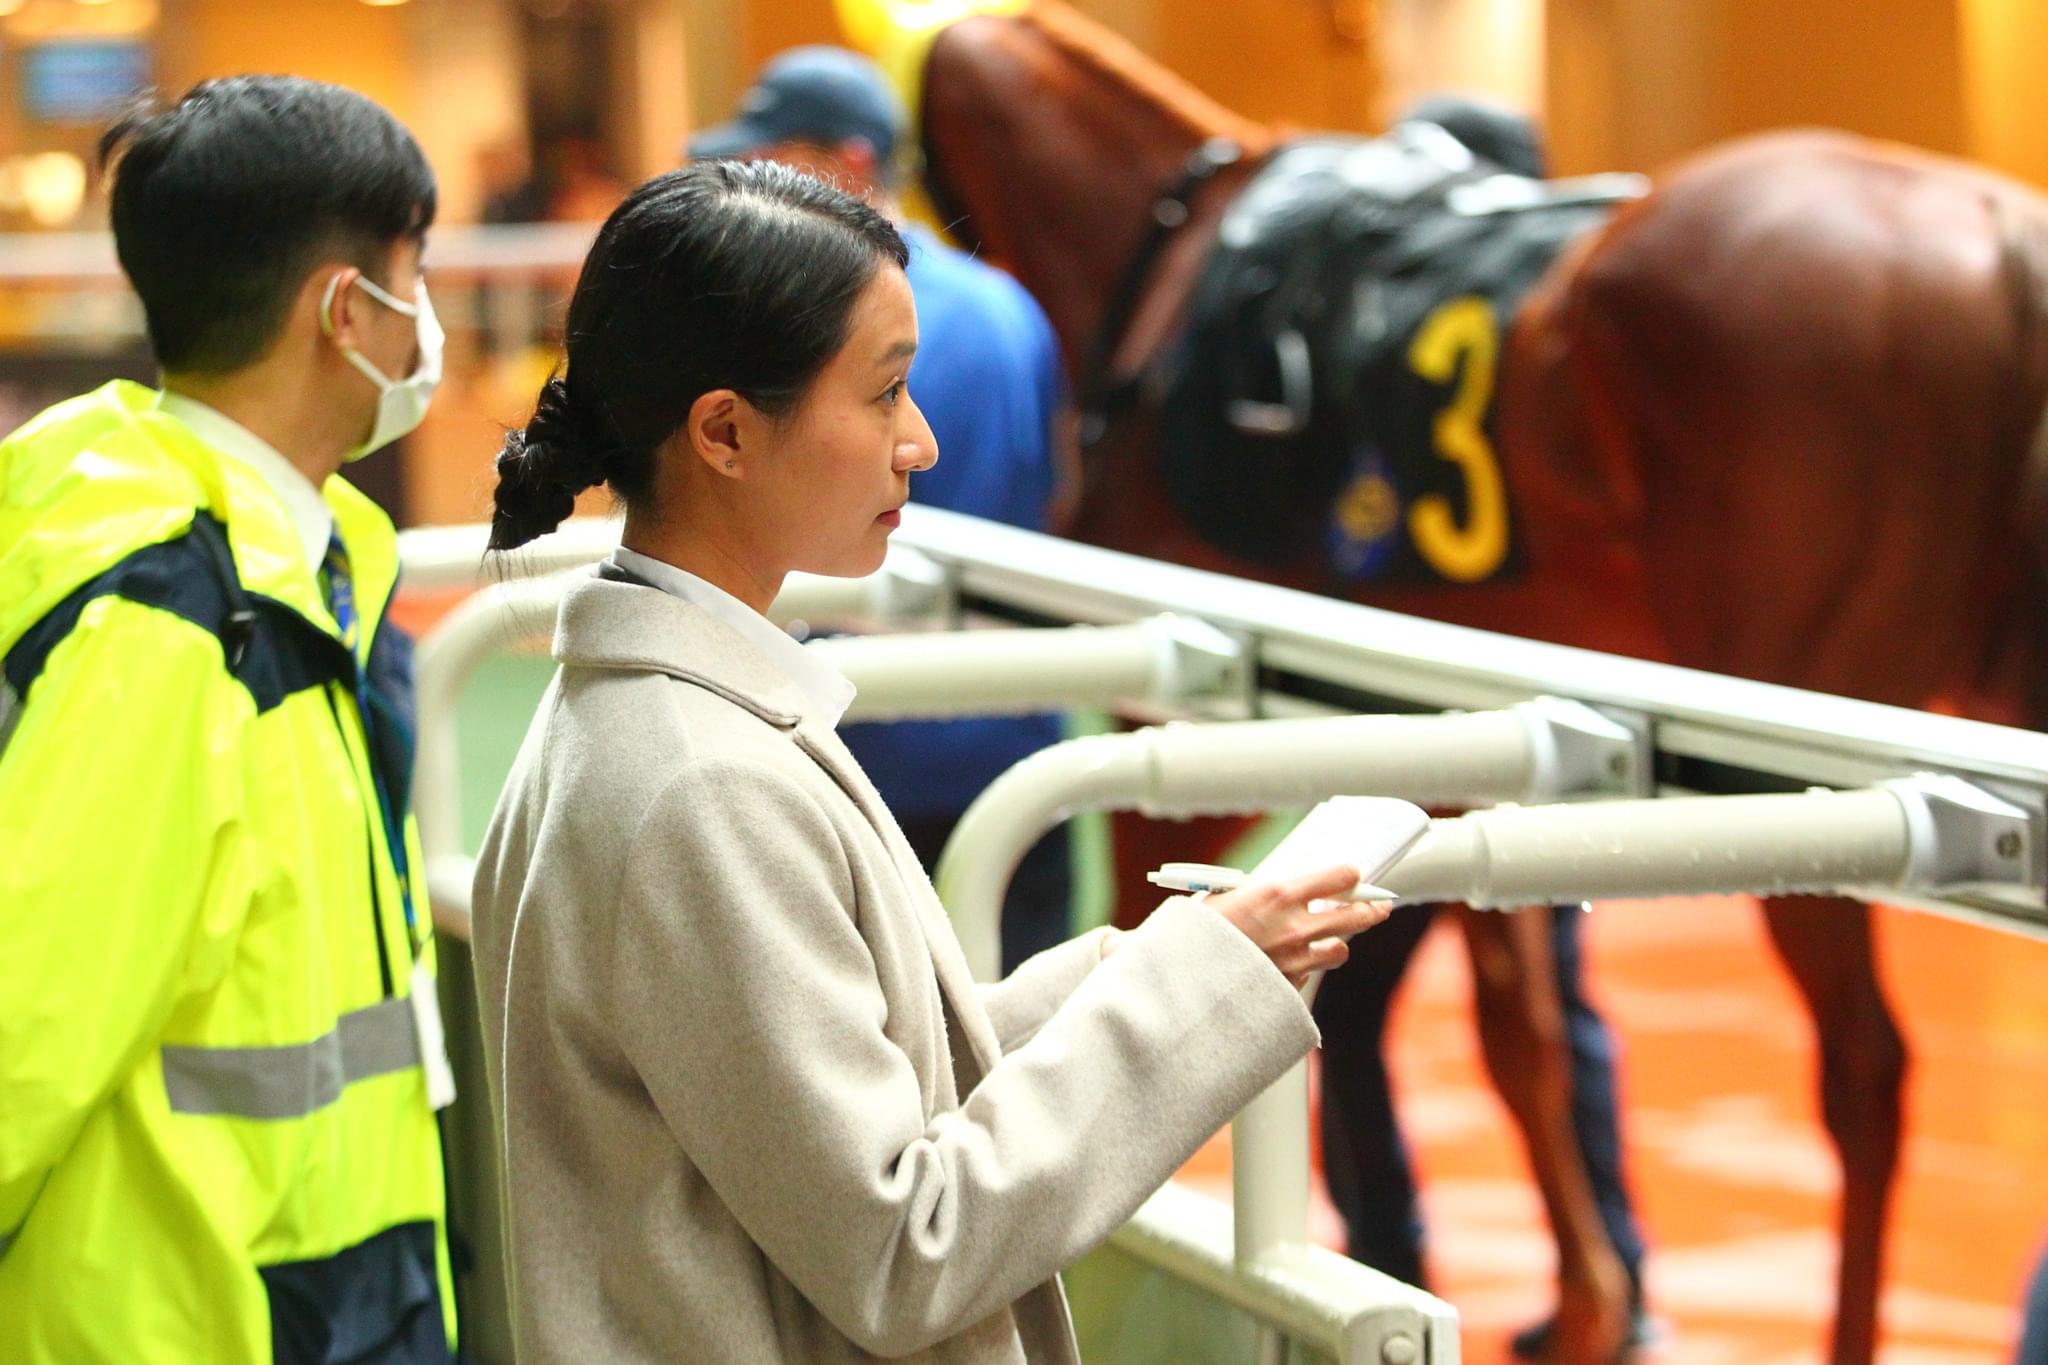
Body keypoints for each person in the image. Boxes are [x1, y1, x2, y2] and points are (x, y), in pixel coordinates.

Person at [468, 159, 1391, 1362]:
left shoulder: (657, 725)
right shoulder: (703, 785)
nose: (921, 440)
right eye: (885, 391)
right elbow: (907, 1243)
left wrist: (1155, 967)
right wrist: (1197, 997)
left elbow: (825, 1092)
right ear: (726, 431)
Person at [0, 77, 456, 1362]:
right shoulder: (173, 622)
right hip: (186, 1316)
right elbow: (21, 1039)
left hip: (319, 1286)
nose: (423, 317)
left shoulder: (286, 577)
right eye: (410, 273)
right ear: (343, 311)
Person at [688, 46, 1075, 972]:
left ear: (852, 164)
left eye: (778, 161)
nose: (758, 190)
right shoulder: (1006, 302)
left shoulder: (848, 320)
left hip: (885, 756)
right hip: (1016, 745)